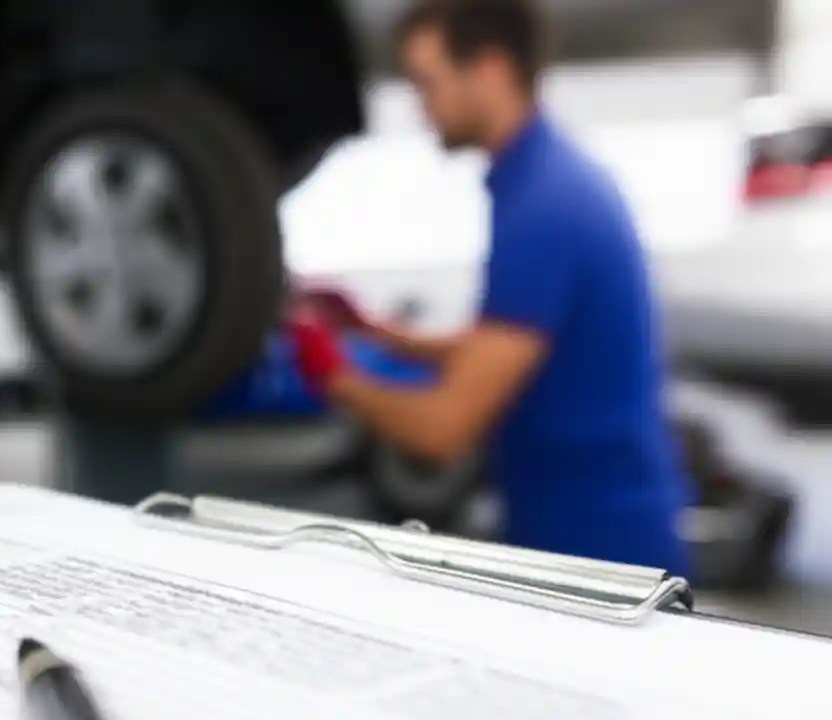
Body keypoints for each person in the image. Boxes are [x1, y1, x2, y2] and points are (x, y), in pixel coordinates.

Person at [289, 0, 692, 575]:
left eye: (429, 83)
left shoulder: (545, 208)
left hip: (599, 552)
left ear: (492, 69)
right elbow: (505, 349)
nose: (422, 107)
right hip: (587, 529)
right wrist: (373, 332)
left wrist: (333, 376)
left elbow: (443, 430)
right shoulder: (545, 177)